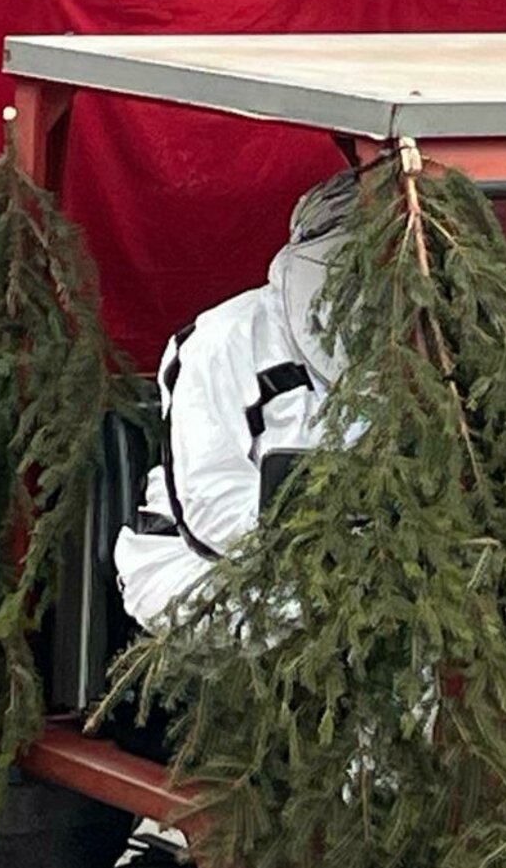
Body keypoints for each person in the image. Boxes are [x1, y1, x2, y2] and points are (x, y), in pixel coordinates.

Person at [116, 169, 355, 627]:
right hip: (199, 565)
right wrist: (325, 549)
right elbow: (210, 502)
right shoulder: (223, 340)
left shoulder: (418, 345)